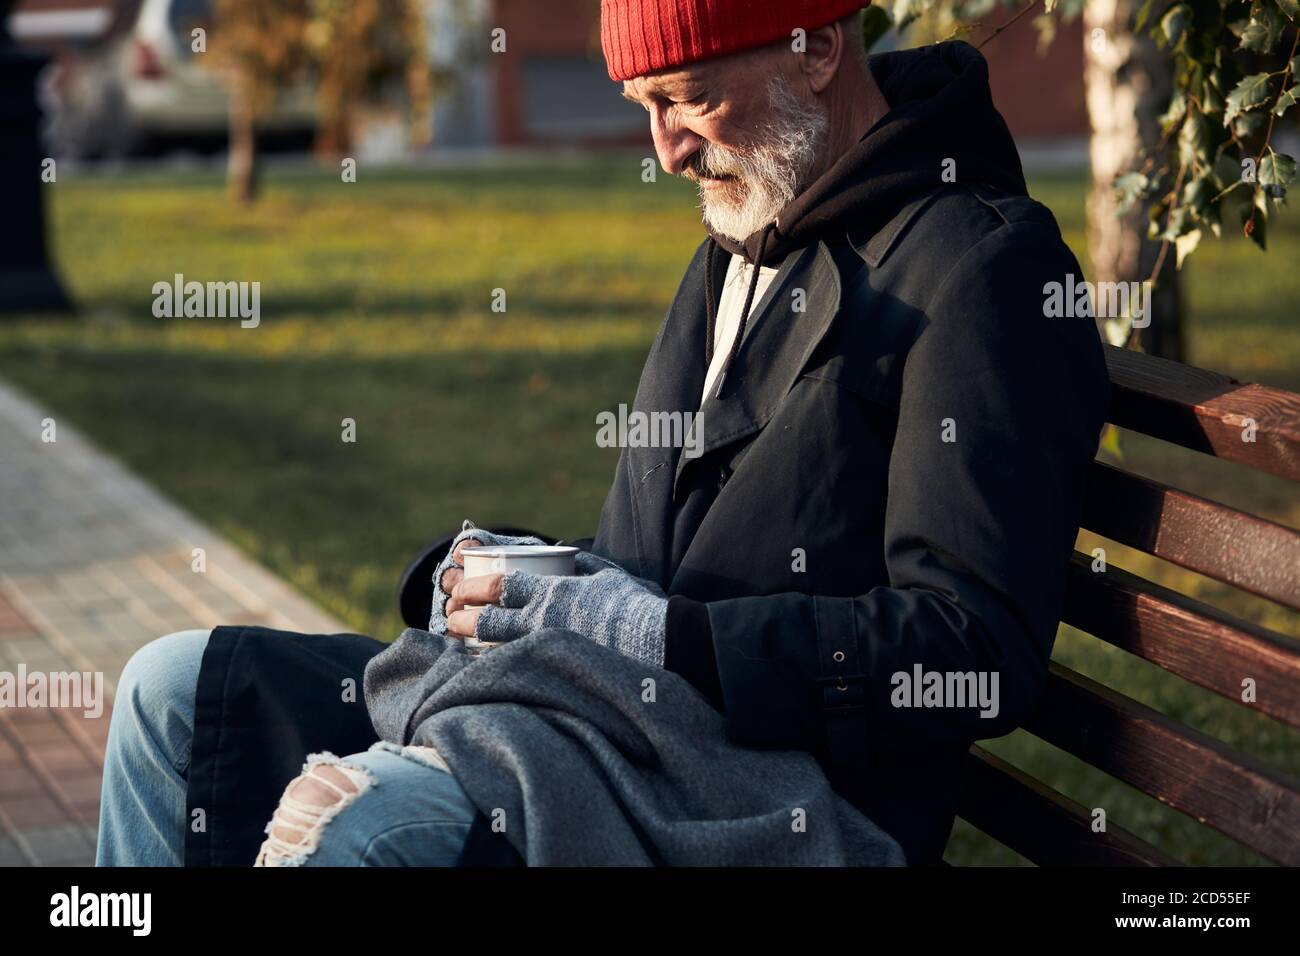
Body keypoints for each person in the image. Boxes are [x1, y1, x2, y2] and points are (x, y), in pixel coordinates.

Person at [97, 0, 1108, 867]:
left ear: (813, 48)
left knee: (367, 821)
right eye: (646, 107)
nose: (664, 151)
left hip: (775, 791)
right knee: (167, 691)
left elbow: (972, 646)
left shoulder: (979, 271)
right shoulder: (742, 236)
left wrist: (658, 633)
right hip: (612, 723)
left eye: (689, 97)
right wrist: (506, 574)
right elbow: (640, 569)